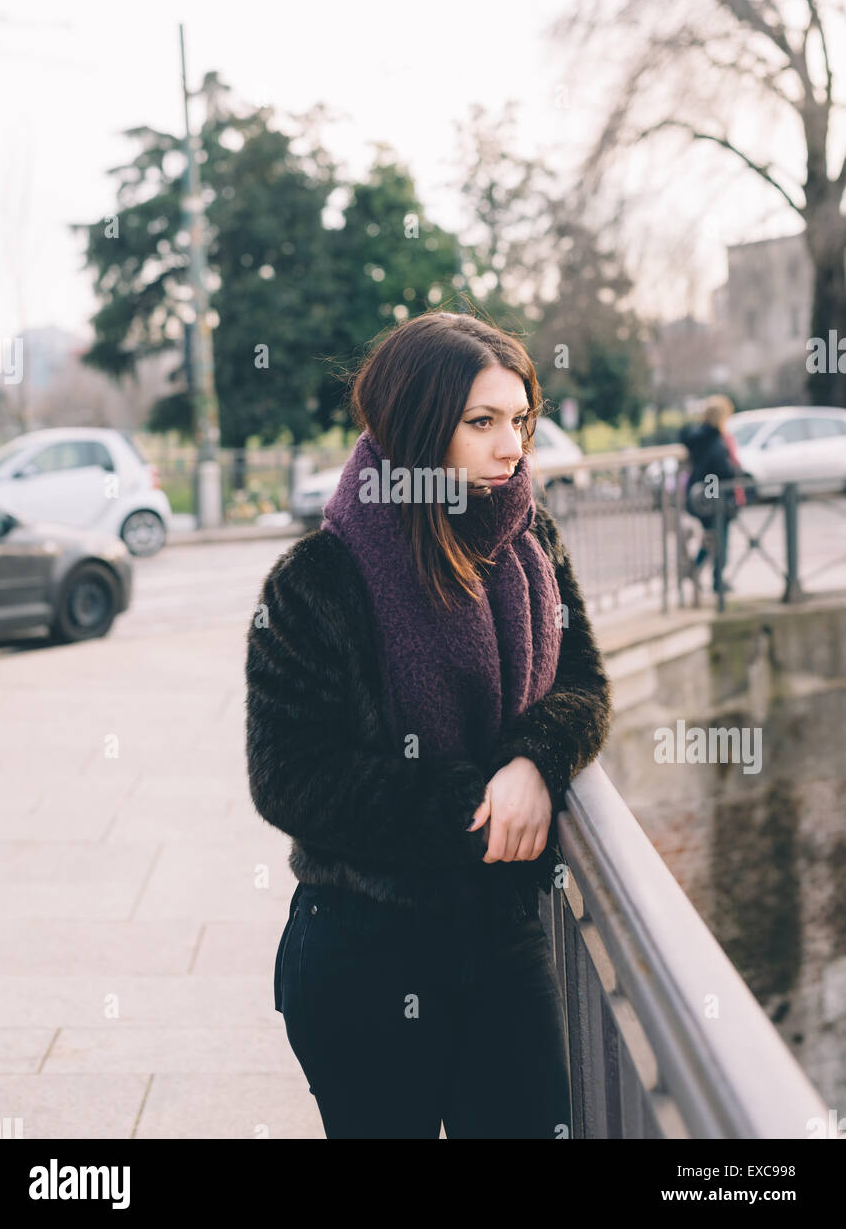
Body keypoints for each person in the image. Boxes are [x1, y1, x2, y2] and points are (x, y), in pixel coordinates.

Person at [245, 308, 613, 1139]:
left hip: (501, 934)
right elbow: (290, 777)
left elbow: (582, 680)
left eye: (519, 420)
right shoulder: (316, 581)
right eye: (480, 423)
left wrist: (533, 760)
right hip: (363, 951)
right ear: (414, 428)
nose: (511, 448)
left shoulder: (530, 541)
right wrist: (472, 811)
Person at [679, 394, 744, 595]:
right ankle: (713, 578)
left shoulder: (696, 436)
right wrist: (736, 471)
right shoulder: (716, 440)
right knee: (719, 535)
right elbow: (721, 468)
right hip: (713, 491)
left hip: (700, 492)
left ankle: (696, 569)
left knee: (712, 536)